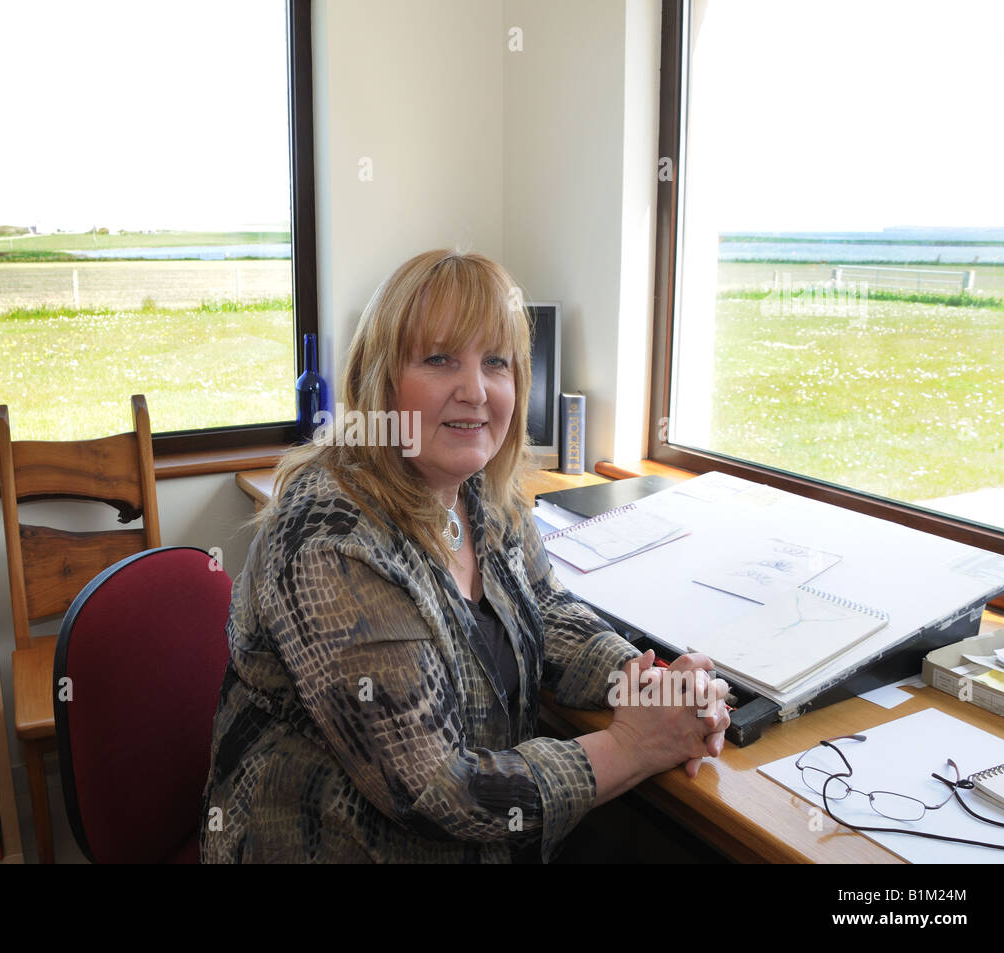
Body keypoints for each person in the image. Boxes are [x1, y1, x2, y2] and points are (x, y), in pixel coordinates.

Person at [201, 249, 730, 863]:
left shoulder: (478, 492)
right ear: (382, 380)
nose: (476, 390)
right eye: (440, 358)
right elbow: (437, 790)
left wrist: (650, 687)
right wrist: (634, 747)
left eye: (496, 362)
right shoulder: (328, 539)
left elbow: (548, 612)